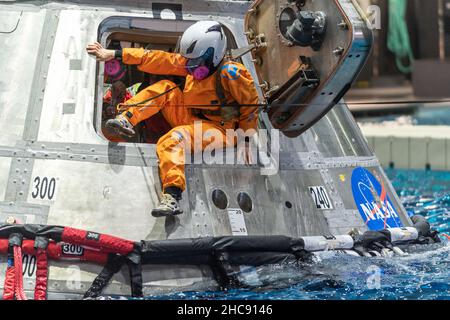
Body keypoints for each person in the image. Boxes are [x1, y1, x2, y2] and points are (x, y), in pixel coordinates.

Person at [87, 21, 259, 217]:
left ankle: (172, 195)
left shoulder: (232, 73)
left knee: (171, 140)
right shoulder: (192, 64)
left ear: (215, 55)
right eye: (188, 63)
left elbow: (250, 108)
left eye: (195, 64)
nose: (190, 69)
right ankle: (127, 118)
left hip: (220, 130)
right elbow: (158, 59)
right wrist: (115, 54)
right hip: (193, 117)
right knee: (166, 87)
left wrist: (246, 140)